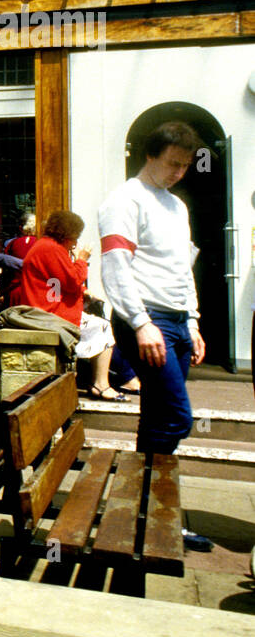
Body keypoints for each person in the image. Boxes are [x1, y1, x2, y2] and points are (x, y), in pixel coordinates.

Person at [98, 122, 205, 457]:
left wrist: (192, 321)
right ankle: (146, 496)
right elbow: (115, 267)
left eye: (186, 165)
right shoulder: (124, 201)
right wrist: (141, 323)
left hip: (177, 319)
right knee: (177, 417)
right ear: (150, 154)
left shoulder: (177, 206)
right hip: (147, 318)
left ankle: (144, 500)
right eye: (173, 163)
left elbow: (182, 268)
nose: (180, 172)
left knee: (158, 415)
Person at [16, 210, 123, 401]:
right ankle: (100, 384)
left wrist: (82, 292)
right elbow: (72, 280)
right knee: (104, 326)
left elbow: (55, 284)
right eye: (74, 237)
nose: (75, 242)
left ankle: (97, 382)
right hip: (52, 316)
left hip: (44, 309)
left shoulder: (46, 247)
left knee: (98, 326)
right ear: (66, 234)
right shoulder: (52, 249)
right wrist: (82, 259)